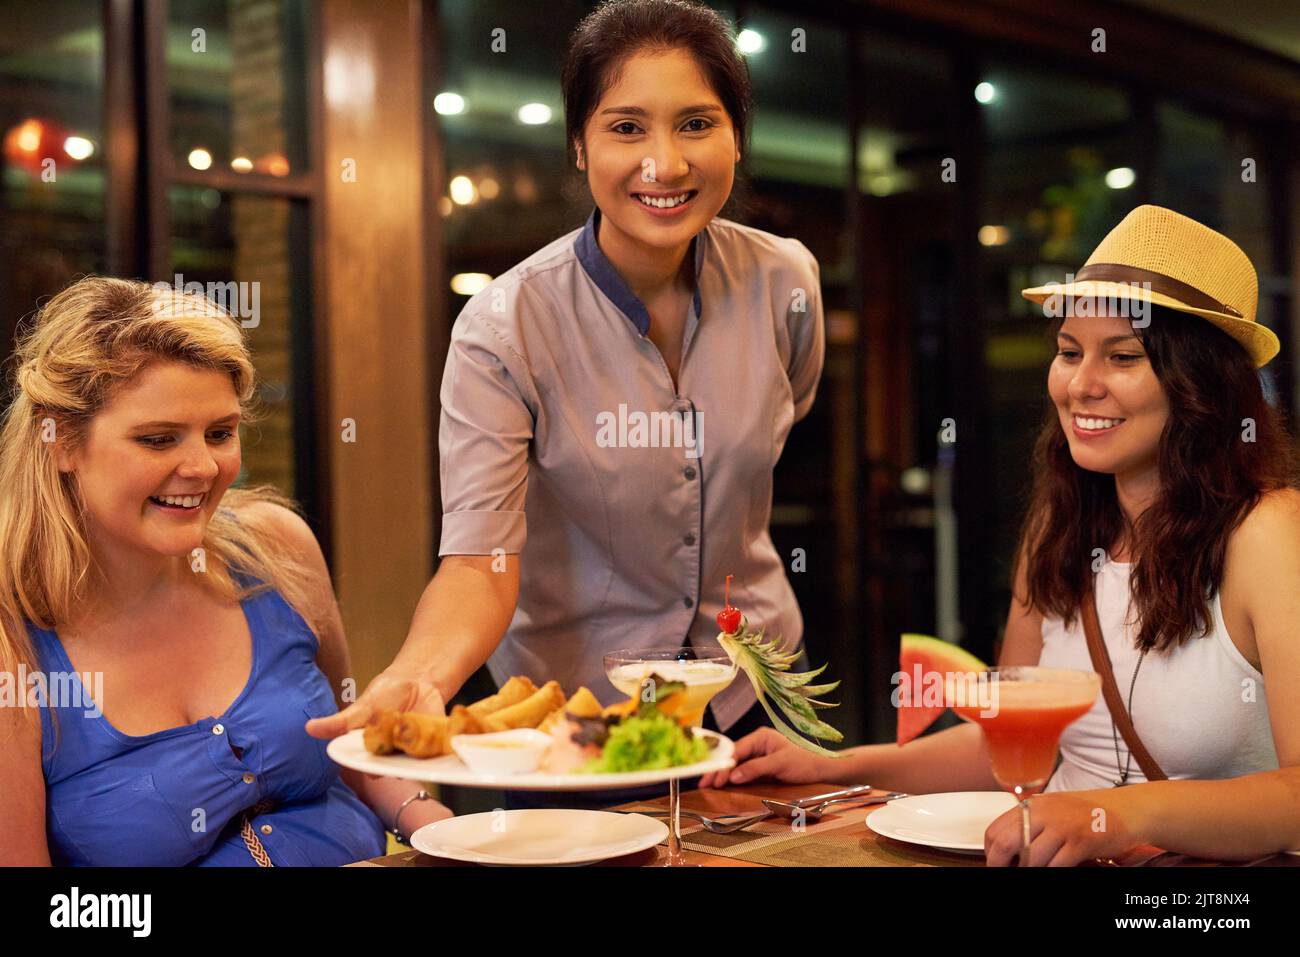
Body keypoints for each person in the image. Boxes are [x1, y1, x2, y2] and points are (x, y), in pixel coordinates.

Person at [308, 0, 825, 808]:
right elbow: (480, 561)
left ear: (735, 136)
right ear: (579, 146)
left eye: (696, 123)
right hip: (578, 723)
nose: (665, 163)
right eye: (626, 128)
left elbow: (778, 422)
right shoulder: (505, 327)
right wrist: (419, 675)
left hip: (750, 695)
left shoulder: (785, 282)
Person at [700, 205, 1300, 865]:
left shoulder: (1267, 531)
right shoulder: (1061, 527)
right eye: (1069, 352)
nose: (1081, 384)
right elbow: (1009, 745)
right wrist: (834, 763)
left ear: (1202, 387)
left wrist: (1112, 815)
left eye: (1122, 356)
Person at [0, 277, 450, 866]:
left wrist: (433, 825)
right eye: (158, 439)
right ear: (59, 441)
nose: (204, 467)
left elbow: (348, 739)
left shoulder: (275, 545)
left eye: (220, 433)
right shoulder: (14, 645)